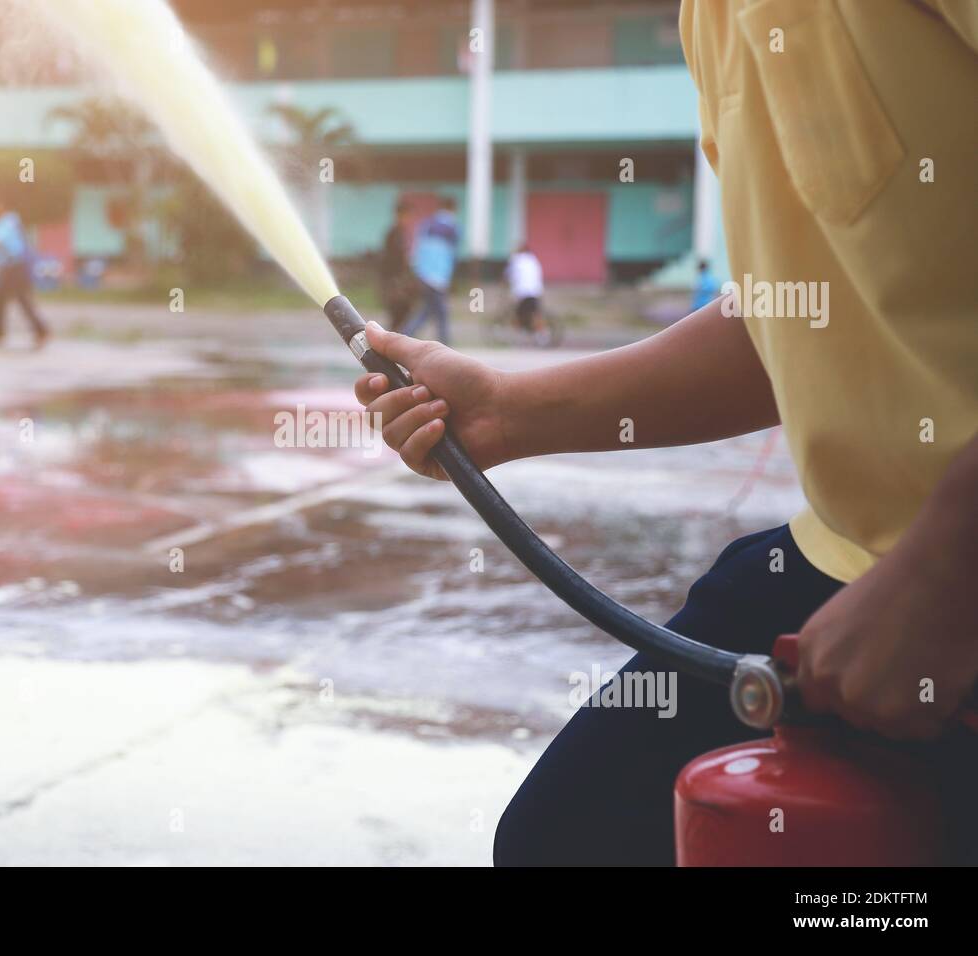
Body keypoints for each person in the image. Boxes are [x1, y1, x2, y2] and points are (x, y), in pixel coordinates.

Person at [354, 0, 977, 865]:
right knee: (566, 840)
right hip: (852, 565)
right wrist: (507, 411)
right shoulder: (710, 17)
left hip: (943, 572)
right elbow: (797, 316)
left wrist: (946, 573)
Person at [0, 201, 49, 348]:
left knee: (21, 299)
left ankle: (41, 330)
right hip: (8, 267)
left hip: (14, 267)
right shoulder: (12, 222)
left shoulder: (8, 222)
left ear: (2, 206)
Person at [399, 196, 459, 345]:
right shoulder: (452, 228)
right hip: (439, 277)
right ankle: (445, 344)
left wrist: (416, 269)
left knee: (427, 310)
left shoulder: (427, 224)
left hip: (423, 274)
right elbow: (452, 255)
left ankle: (404, 335)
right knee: (440, 313)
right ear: (453, 209)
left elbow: (417, 249)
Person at [378, 199, 418, 330]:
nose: (409, 219)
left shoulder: (401, 232)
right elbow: (391, 260)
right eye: (407, 216)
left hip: (399, 280)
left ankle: (394, 336)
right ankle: (391, 338)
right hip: (394, 281)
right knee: (398, 312)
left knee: (404, 312)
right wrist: (394, 283)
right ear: (399, 215)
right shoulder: (394, 233)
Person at [504, 243, 548, 338]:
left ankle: (517, 333)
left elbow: (508, 274)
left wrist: (505, 283)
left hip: (521, 291)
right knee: (535, 312)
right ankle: (540, 333)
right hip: (536, 290)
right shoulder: (533, 259)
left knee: (516, 312)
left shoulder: (516, 259)